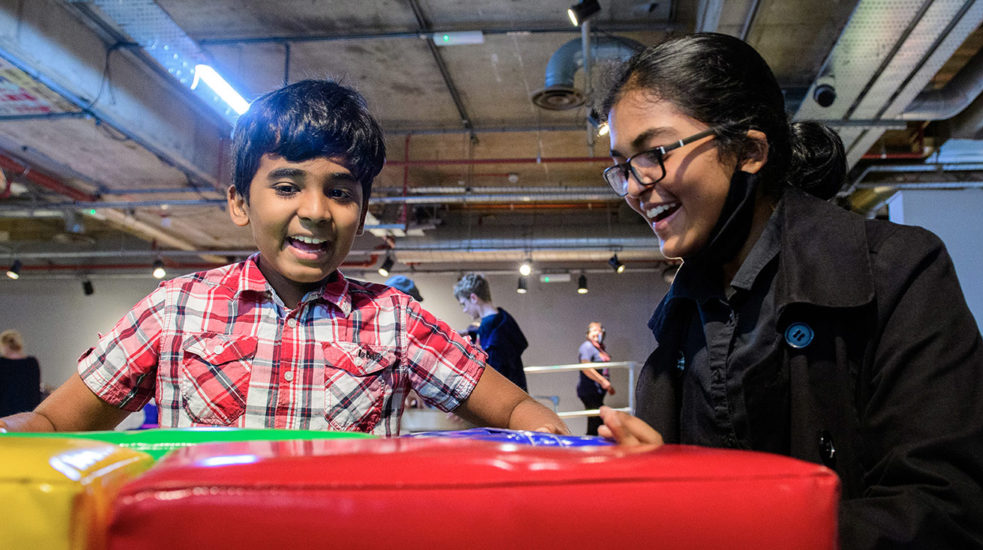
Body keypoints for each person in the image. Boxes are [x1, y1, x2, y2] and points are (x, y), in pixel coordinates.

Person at [594, 33, 983, 548]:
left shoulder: (898, 271)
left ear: (748, 150)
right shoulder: (677, 324)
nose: (634, 186)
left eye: (653, 153)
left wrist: (710, 512)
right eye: (622, 166)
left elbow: (954, 517)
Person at [0, 80, 566, 438]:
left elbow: (517, 410)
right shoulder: (173, 311)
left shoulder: (396, 321)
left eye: (341, 192)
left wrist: (552, 437)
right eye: (288, 186)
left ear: (363, 211)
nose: (317, 211)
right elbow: (54, 421)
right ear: (241, 202)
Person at [453, 273, 529, 392]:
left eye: (464, 304)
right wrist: (470, 333)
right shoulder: (503, 318)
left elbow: (496, 374)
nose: (464, 310)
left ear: (473, 298)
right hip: (518, 391)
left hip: (506, 398)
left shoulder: (491, 331)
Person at [577, 321, 615, 436]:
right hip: (589, 390)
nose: (597, 333)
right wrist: (603, 381)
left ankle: (593, 443)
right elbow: (586, 367)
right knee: (596, 420)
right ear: (588, 333)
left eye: (599, 331)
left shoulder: (599, 348)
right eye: (594, 330)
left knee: (596, 420)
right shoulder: (587, 346)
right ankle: (591, 445)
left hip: (597, 391)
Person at [0, 329, 41, 416]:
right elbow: (35, 391)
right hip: (27, 412)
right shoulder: (31, 363)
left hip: (4, 413)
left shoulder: (2, 363)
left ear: (3, 346)